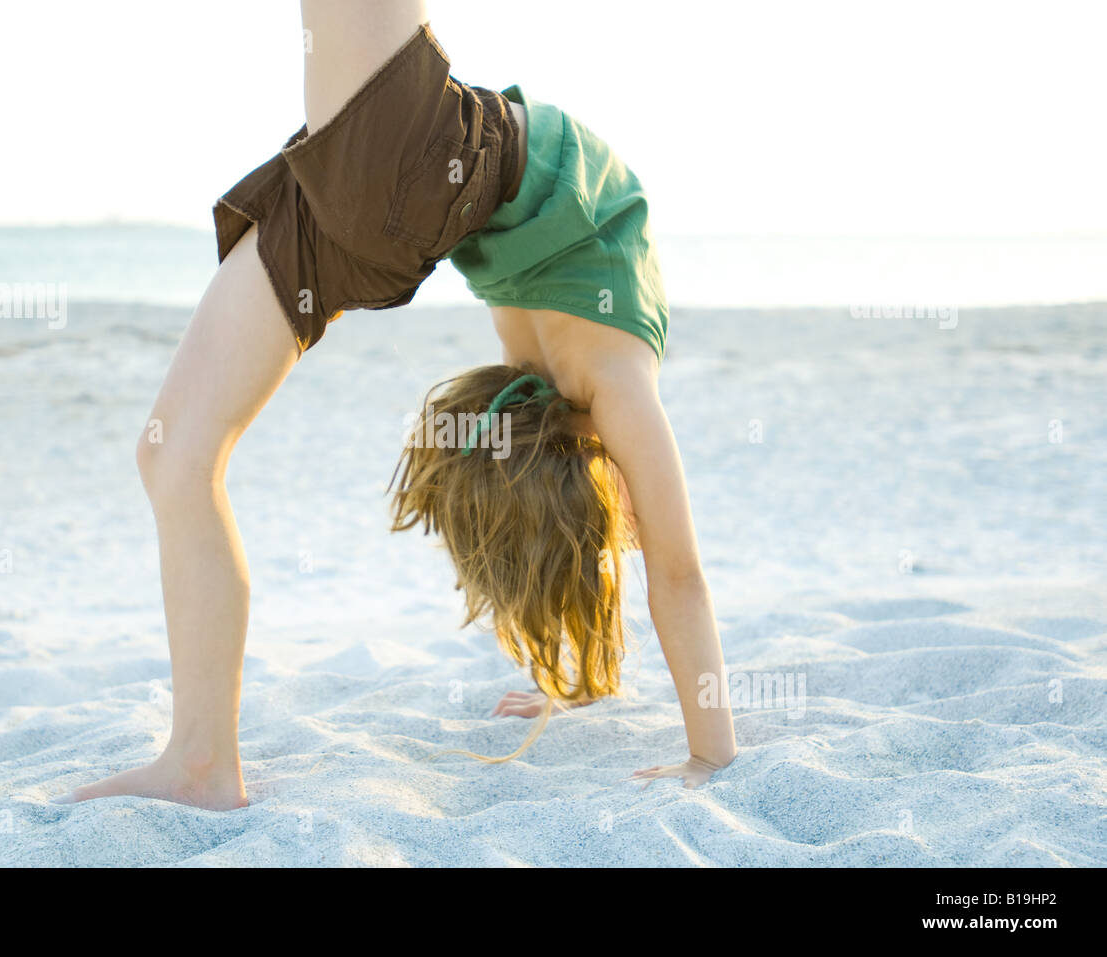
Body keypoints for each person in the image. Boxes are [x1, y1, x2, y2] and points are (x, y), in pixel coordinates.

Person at [54, 0, 736, 810]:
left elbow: (679, 575)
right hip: (381, 206)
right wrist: (579, 678)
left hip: (415, 160)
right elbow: (659, 567)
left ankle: (202, 758)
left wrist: (712, 754)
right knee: (173, 458)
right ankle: (203, 761)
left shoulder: (608, 377)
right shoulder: (573, 382)